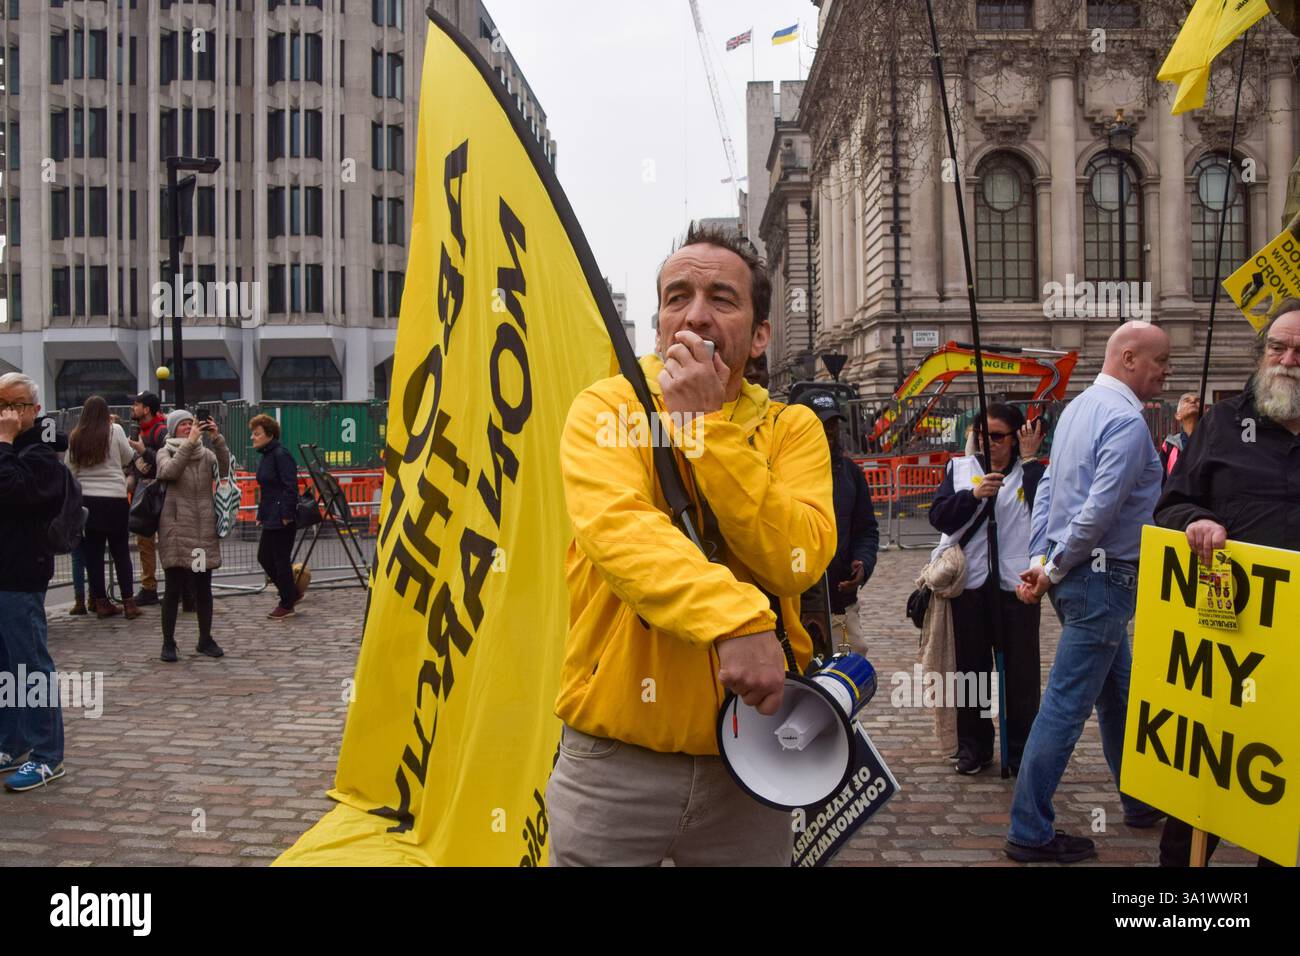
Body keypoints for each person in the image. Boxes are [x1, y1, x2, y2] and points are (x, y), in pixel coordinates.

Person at [547, 224, 836, 866]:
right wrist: (735, 619)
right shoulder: (608, 407)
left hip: (754, 763)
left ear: (760, 334)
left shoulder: (792, 428)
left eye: (722, 298)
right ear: (657, 321)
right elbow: (621, 531)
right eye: (677, 296)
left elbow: (798, 555)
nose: (695, 314)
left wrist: (707, 430)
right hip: (614, 766)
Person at [1005, 321, 1171, 863]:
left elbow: (1051, 487)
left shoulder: (1078, 408)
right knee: (1065, 707)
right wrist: (1048, 567)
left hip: (1081, 577)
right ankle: (1029, 831)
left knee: (1119, 695)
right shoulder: (1124, 421)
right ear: (1127, 358)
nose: (1165, 372)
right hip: (1102, 580)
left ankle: (1140, 800)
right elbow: (1097, 511)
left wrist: (1041, 558)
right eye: (1159, 361)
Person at [1154, 304, 1300, 867]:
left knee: (1287, 809)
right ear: (1261, 352)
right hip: (1226, 652)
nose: (1287, 361)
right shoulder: (1221, 424)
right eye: (1276, 348)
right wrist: (1195, 520)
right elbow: (1171, 506)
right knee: (1201, 802)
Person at [929, 404, 1045, 775]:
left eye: (997, 436)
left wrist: (1028, 462)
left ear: (1016, 439)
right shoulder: (961, 469)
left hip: (1017, 586)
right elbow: (939, 516)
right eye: (981, 435)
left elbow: (1046, 509)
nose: (987, 443)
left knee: (1020, 674)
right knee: (971, 672)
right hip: (972, 586)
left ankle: (1020, 749)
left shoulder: (1032, 473)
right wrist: (974, 497)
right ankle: (973, 746)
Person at [0, 372, 68, 791]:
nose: (6, 413)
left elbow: (10, 490)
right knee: (6, 668)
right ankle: (13, 740)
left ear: (34, 410)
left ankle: (47, 754)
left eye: (14, 405)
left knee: (29, 667)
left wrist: (5, 443)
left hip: (22, 572)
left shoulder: (41, 453)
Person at [796, 389, 877, 654]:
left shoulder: (850, 473)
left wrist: (863, 564)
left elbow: (866, 530)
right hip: (794, 607)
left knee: (849, 666)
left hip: (841, 605)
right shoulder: (780, 473)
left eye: (832, 425)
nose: (829, 433)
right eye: (820, 426)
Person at [154, 409, 229, 662]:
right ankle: (167, 642)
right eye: (183, 424)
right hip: (176, 531)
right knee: (173, 588)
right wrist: (189, 443)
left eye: (191, 423)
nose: (188, 427)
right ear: (173, 429)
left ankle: (205, 639)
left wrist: (217, 439)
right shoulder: (165, 452)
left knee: (202, 588)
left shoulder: (206, 454)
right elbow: (169, 472)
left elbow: (226, 469)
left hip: (201, 532)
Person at [67, 396, 139, 620]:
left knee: (94, 555)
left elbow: (71, 470)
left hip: (88, 501)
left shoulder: (76, 436)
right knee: (120, 552)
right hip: (115, 499)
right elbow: (128, 457)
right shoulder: (115, 430)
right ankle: (128, 602)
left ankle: (101, 603)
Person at [251, 414, 300, 620]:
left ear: (269, 435)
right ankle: (291, 593)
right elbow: (267, 489)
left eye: (257, 434)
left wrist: (287, 514)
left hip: (282, 517)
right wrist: (261, 514)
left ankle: (287, 602)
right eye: (253, 433)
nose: (253, 437)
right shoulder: (266, 455)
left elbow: (290, 486)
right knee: (265, 557)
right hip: (271, 514)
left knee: (280, 559)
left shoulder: (281, 454)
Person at [128, 392, 167, 607]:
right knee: (144, 543)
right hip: (144, 494)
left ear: (147, 409)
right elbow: (137, 461)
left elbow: (167, 462)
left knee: (168, 543)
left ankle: (176, 585)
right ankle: (149, 587)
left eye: (137, 404)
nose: (133, 407)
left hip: (160, 493)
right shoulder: (138, 430)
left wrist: (145, 452)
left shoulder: (161, 431)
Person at [1158, 392, 1200, 481]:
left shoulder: (1212, 441)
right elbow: (1161, 479)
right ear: (1178, 415)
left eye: (1197, 401)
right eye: (1187, 400)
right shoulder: (1169, 445)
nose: (1193, 401)